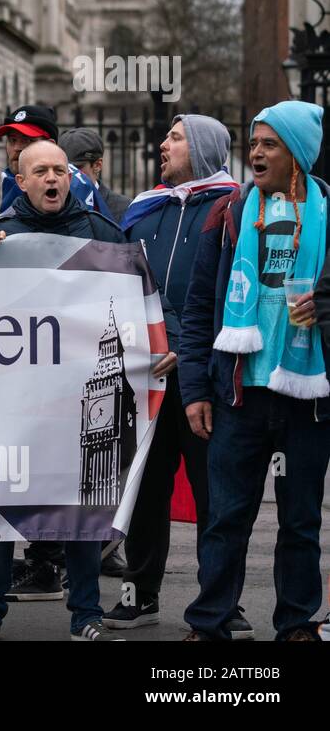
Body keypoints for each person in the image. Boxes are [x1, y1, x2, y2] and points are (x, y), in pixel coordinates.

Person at [178, 100, 330, 642]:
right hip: (239, 395)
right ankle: (209, 621)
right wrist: (195, 388)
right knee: (225, 518)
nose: (256, 152)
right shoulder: (231, 214)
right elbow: (200, 307)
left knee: (300, 523)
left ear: (298, 154)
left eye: (270, 143)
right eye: (254, 142)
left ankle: (296, 624)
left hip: (307, 401)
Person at [0, 140, 125, 641]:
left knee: (80, 508)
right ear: (23, 180)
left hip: (78, 402)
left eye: (60, 169)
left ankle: (86, 616)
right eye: (42, 171)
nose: (52, 178)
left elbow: (134, 308)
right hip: (11, 402)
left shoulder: (103, 235)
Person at [104, 115, 249, 634]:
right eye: (166, 135)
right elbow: (120, 280)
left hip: (206, 376)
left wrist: (187, 348)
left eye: (175, 137)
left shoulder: (235, 208)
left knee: (218, 496)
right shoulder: (142, 210)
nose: (162, 144)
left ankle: (223, 604)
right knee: (145, 489)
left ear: (205, 147)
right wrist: (149, 341)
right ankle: (139, 596)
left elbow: (236, 291)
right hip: (146, 372)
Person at [0, 105, 109, 217]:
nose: (16, 148)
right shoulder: (11, 177)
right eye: (12, 140)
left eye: (26, 140)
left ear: (50, 145)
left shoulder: (71, 185)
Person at [59, 127, 132, 222]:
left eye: (76, 168)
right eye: (62, 168)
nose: (71, 173)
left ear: (97, 165)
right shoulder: (51, 205)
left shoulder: (124, 208)